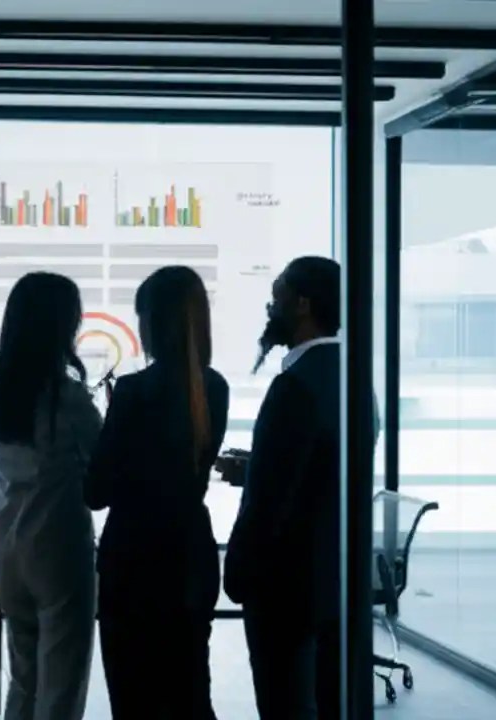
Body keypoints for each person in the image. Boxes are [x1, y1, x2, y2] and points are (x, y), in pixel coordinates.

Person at [85, 266, 230, 720]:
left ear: (151, 322)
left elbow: (96, 491)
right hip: (191, 559)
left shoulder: (133, 392)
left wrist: (111, 425)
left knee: (135, 698)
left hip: (133, 562)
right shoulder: (215, 388)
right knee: (191, 692)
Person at [222, 255, 360, 720]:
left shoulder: (294, 386)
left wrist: (237, 571)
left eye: (277, 292)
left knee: (284, 704)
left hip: (284, 587)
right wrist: (258, 465)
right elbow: (323, 470)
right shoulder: (356, 380)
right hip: (334, 580)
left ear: (302, 303)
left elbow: (269, 504)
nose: (270, 303)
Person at [0, 273, 100, 720]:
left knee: (24, 675)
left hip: (5, 540)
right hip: (57, 543)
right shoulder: (66, 395)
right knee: (62, 679)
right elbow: (100, 457)